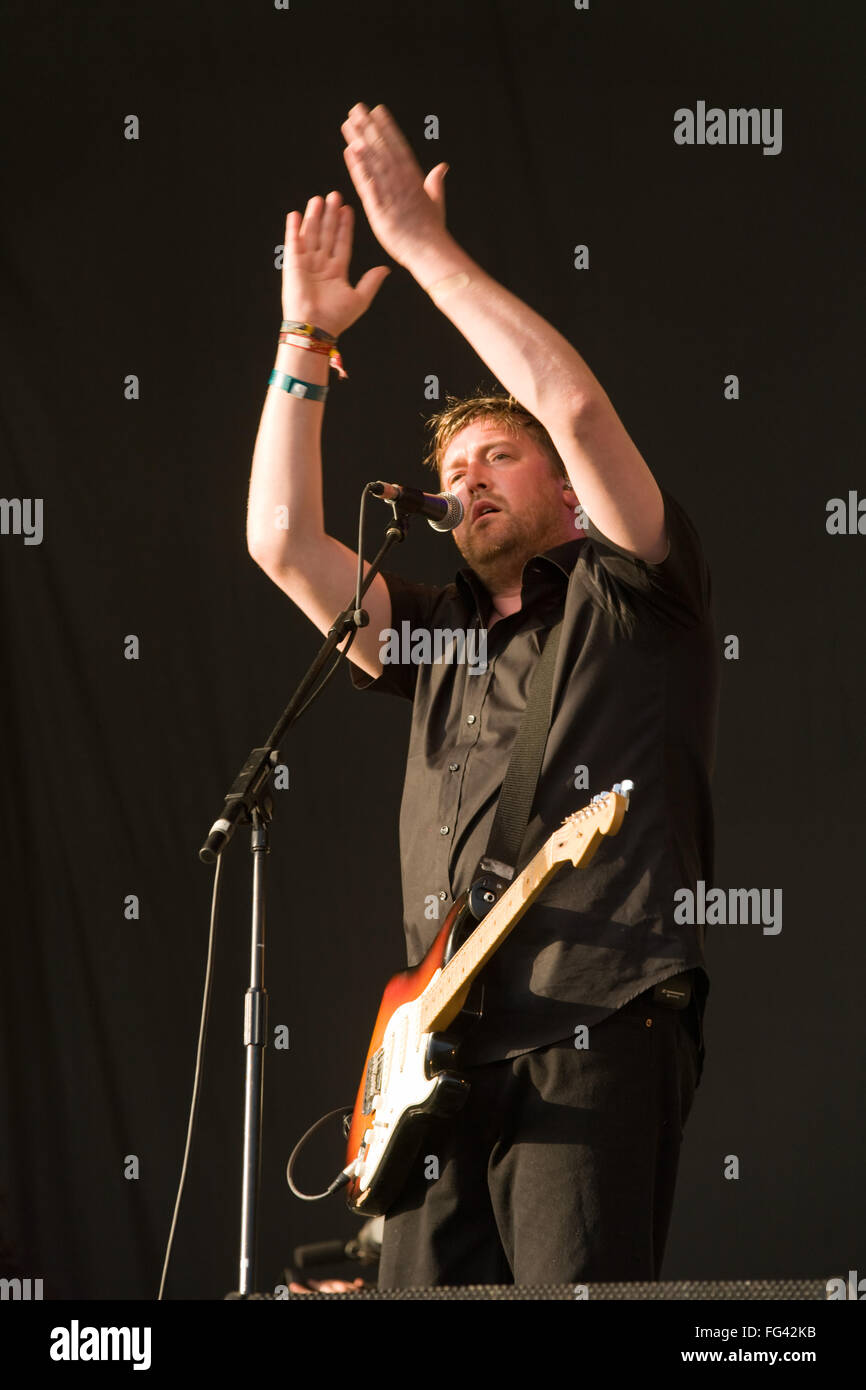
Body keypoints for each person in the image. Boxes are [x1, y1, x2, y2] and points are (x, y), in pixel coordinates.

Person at [247, 102, 719, 1290]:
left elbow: (571, 409)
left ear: (565, 497)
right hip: (438, 1060)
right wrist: (304, 342)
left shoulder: (633, 594)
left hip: (593, 1021)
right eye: (450, 472)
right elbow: (279, 540)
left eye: (493, 460)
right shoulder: (437, 634)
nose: (465, 483)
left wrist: (422, 253)